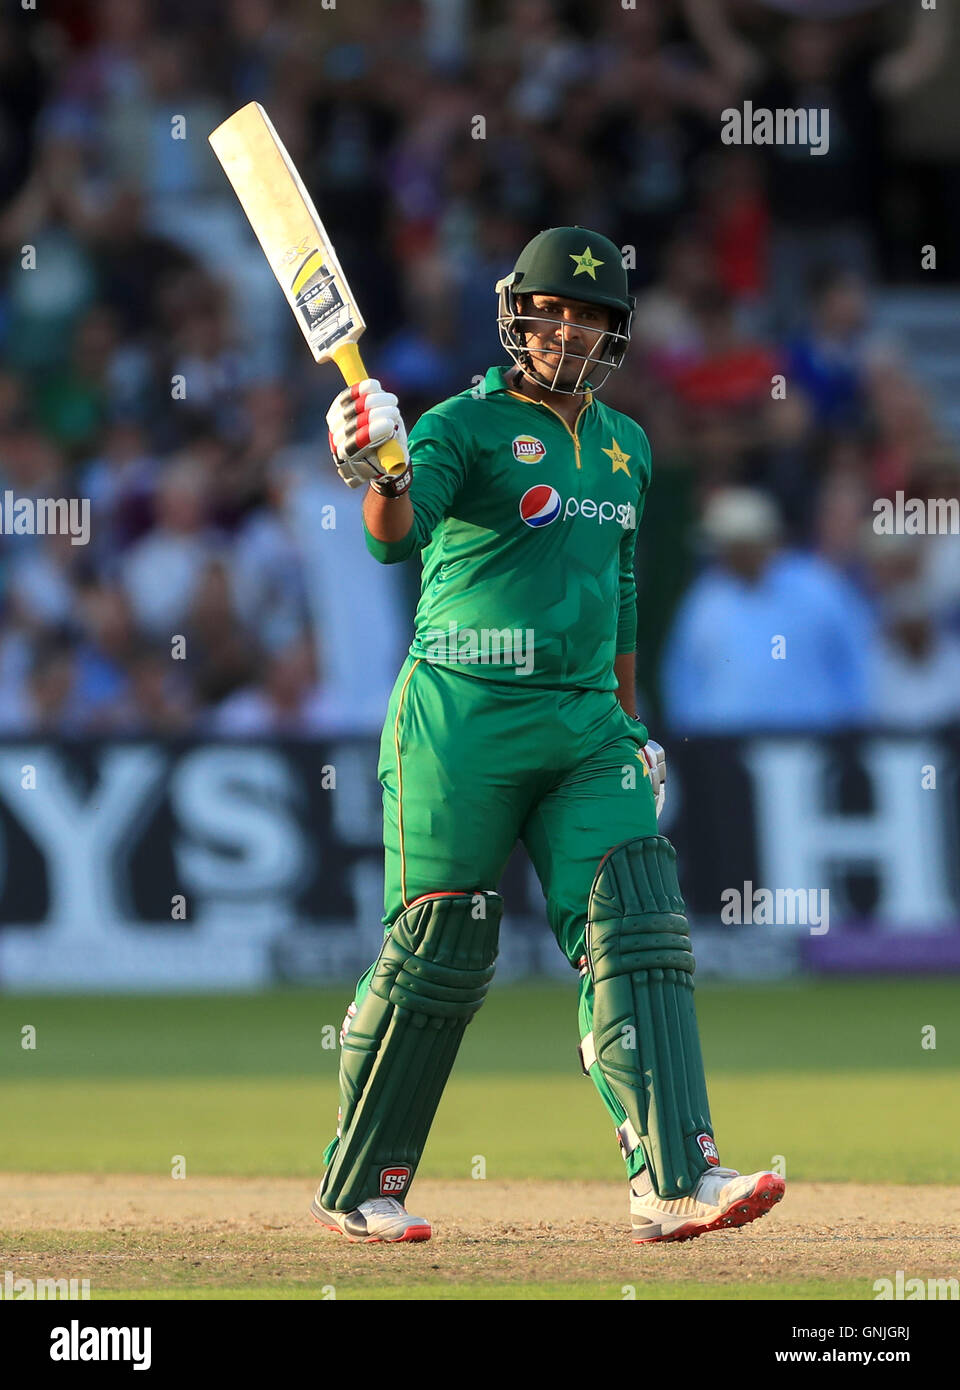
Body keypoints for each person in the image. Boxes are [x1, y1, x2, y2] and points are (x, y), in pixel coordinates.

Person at [315, 226, 785, 1244]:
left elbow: (617, 593)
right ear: (515, 316)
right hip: (460, 715)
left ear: (617, 333)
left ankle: (674, 1179)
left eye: (591, 317)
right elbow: (391, 537)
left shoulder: (627, 446)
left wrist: (630, 720)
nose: (568, 332)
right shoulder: (460, 425)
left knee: (639, 919)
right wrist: (380, 466)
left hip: (583, 722)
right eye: (552, 312)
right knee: (441, 945)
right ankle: (365, 1182)